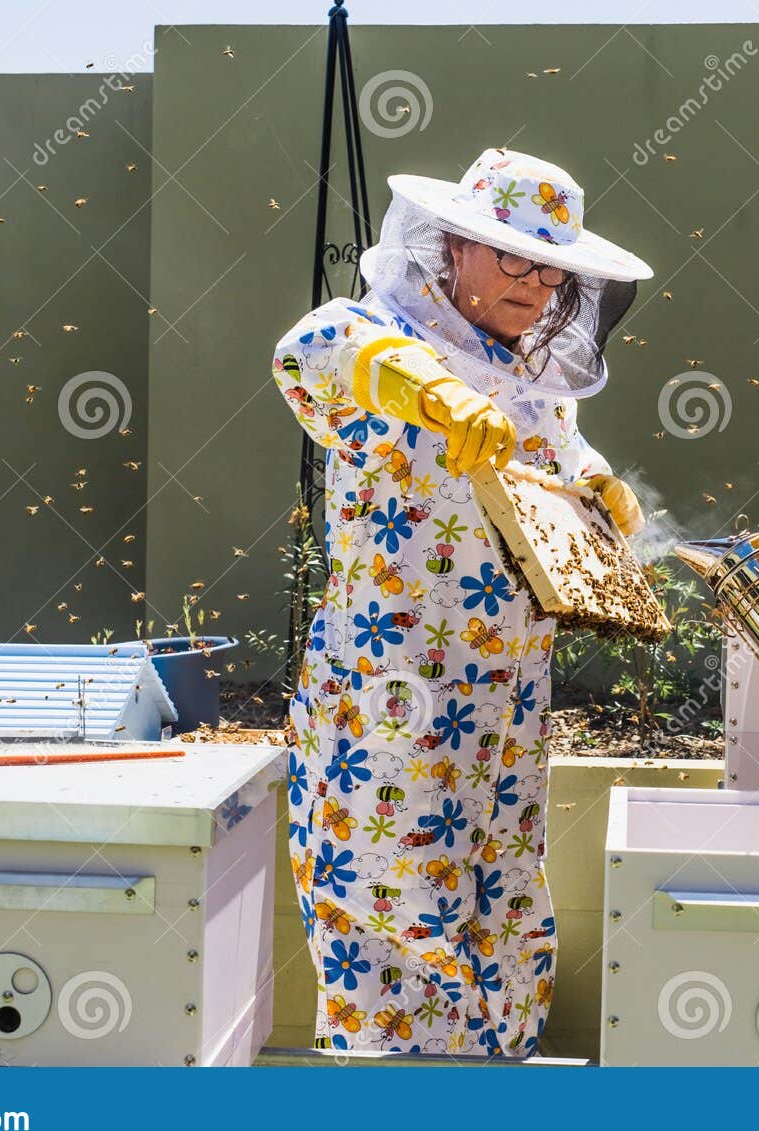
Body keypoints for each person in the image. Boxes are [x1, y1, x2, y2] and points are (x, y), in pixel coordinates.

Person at [272, 148, 652, 1056]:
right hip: (394, 686)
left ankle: (493, 1070)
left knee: (501, 887)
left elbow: (551, 461)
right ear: (452, 249)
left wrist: (598, 487)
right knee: (390, 881)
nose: (535, 281)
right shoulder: (379, 329)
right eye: (512, 256)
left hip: (507, 695)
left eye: (552, 265)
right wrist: (427, 391)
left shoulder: (532, 372)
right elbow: (311, 351)